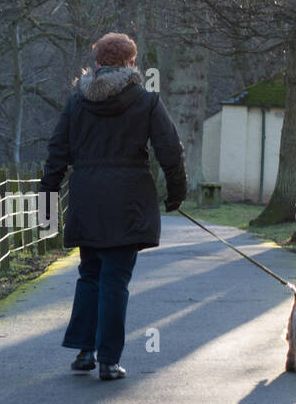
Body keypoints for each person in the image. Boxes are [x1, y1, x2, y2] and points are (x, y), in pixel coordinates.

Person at [40, 32, 188, 380]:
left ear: (97, 64)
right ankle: (108, 360)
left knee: (90, 274)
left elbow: (56, 155)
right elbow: (171, 150)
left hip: (87, 199)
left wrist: (46, 215)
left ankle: (84, 352)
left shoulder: (77, 102)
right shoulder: (146, 101)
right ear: (132, 63)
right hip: (128, 202)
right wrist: (176, 194)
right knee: (115, 280)